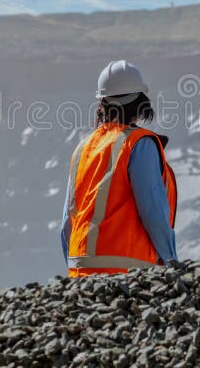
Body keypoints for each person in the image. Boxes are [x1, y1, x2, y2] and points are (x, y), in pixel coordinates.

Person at [60, 60, 178, 276]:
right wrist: (171, 262)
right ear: (141, 102)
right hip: (127, 272)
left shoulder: (83, 148)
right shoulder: (139, 144)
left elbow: (67, 222)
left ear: (102, 103)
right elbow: (153, 210)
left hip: (79, 271)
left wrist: (74, 269)